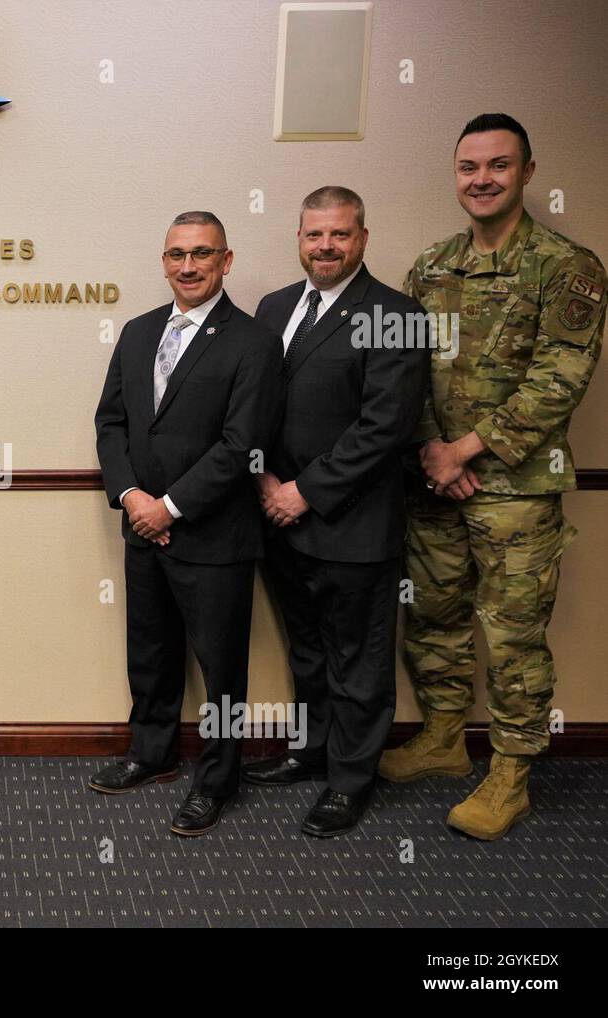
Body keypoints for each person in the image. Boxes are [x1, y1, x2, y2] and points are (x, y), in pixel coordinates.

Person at [378, 114, 607, 840]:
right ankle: (446, 738)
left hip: (517, 491)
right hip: (435, 480)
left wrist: (468, 450)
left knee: (512, 636)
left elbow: (559, 378)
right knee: (435, 617)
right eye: (469, 167)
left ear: (527, 173)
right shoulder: (431, 264)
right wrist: (432, 454)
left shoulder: (566, 266)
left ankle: (511, 774)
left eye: (498, 166)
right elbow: (403, 371)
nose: (482, 179)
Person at [92, 210, 283, 836]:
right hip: (140, 526)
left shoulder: (252, 341)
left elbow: (241, 444)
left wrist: (167, 507)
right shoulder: (138, 332)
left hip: (213, 536)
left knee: (222, 666)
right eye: (177, 254)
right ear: (164, 260)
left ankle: (218, 780)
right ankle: (152, 754)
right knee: (150, 652)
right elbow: (111, 423)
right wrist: (129, 496)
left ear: (226, 261)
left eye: (203, 254)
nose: (189, 266)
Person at [248, 187, 429, 836]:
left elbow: (384, 429)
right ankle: (311, 751)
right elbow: (253, 401)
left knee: (358, 660)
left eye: (339, 235)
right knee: (307, 652)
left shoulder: (396, 314)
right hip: (277, 517)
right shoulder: (272, 308)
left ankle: (350, 782)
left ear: (363, 238)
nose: (325, 246)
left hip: (352, 524)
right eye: (314, 235)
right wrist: (265, 476)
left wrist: (305, 491)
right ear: (299, 238)